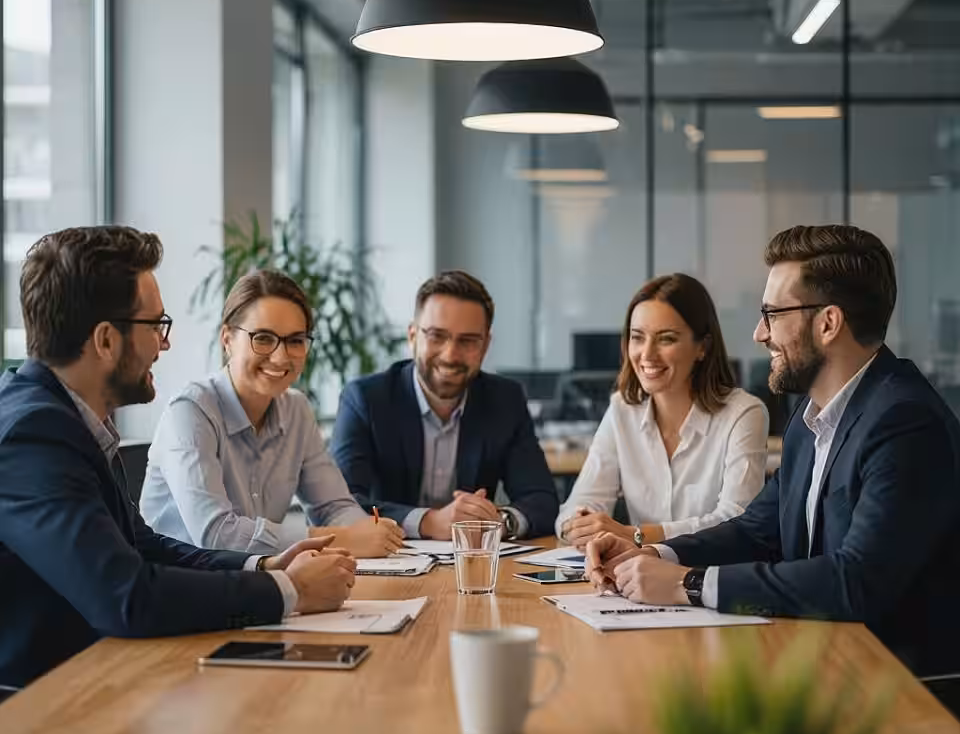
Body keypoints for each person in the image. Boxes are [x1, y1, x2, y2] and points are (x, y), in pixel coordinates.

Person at [585, 225, 960, 677]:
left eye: (772, 314)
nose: (759, 333)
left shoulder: (905, 422)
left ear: (828, 323)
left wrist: (689, 584)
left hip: (896, 685)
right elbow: (758, 532)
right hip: (824, 657)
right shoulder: (812, 416)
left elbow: (857, 581)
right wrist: (652, 553)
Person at [0, 227, 356, 689]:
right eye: (156, 326)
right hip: (45, 701)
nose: (164, 344)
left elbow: (145, 547)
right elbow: (126, 596)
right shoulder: (33, 435)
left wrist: (265, 566)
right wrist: (291, 590)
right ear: (106, 341)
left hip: (105, 671)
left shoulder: (71, 419)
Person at [140, 270, 402, 558]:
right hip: (178, 578)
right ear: (227, 339)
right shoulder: (190, 412)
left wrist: (366, 531)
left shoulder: (297, 410)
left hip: (253, 577)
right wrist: (341, 539)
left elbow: (333, 507)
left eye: (295, 341)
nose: (280, 357)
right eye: (263, 338)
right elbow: (217, 534)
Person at [330, 270, 558, 540]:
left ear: (485, 345)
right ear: (413, 336)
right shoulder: (365, 399)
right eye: (437, 336)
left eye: (468, 341)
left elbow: (542, 500)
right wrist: (428, 522)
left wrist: (499, 521)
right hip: (388, 557)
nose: (450, 355)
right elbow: (340, 505)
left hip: (472, 559)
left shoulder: (505, 399)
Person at [556, 274, 769, 549]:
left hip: (710, 571)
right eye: (637, 337)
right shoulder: (623, 409)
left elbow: (737, 521)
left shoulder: (744, 413)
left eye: (666, 339)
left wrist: (638, 535)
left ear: (702, 347)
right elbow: (578, 504)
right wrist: (581, 524)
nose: (647, 354)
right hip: (635, 571)